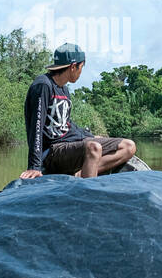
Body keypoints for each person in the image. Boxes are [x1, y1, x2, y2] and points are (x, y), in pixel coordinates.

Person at [21, 43, 137, 179]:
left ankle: (82, 174)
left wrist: (90, 136)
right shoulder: (43, 85)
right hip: (51, 151)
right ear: (73, 67)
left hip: (68, 146)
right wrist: (34, 166)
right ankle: (87, 193)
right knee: (94, 148)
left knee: (128, 146)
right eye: (81, 67)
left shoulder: (64, 89)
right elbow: (36, 126)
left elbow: (66, 123)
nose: (81, 72)